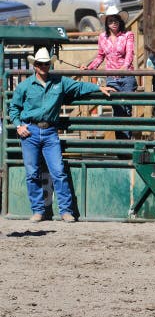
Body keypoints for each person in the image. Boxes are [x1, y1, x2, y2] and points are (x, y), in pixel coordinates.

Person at [10, 47, 115, 222]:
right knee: (32, 173)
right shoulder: (25, 86)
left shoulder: (60, 82)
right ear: (35, 66)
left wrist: (98, 87)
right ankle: (38, 210)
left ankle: (66, 210)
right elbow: (14, 108)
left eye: (46, 64)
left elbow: (79, 86)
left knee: (58, 171)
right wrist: (18, 126)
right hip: (30, 131)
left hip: (50, 131)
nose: (43, 66)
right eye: (40, 64)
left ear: (49, 65)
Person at [81, 6, 135, 139]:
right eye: (110, 20)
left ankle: (126, 142)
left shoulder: (128, 35)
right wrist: (90, 68)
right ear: (106, 23)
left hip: (127, 76)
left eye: (116, 20)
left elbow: (130, 53)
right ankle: (122, 143)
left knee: (127, 109)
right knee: (117, 109)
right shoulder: (102, 37)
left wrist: (124, 67)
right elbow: (100, 56)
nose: (114, 23)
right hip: (111, 77)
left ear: (120, 21)